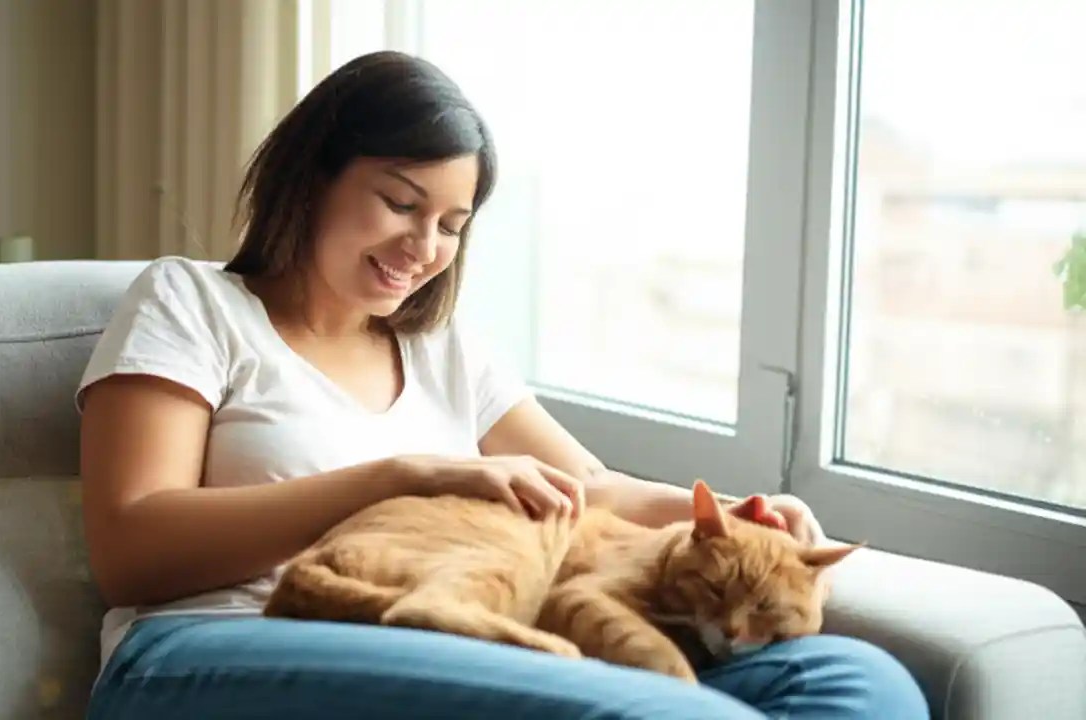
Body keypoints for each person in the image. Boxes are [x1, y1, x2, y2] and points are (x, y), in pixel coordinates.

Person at [77, 50, 927, 719]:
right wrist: (407, 473)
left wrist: (741, 520)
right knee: (657, 708)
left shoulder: (445, 349)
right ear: (313, 175)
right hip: (211, 647)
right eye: (400, 202)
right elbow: (131, 551)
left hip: (458, 631)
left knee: (860, 685)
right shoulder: (191, 302)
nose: (426, 245)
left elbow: (586, 489)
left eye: (452, 223)